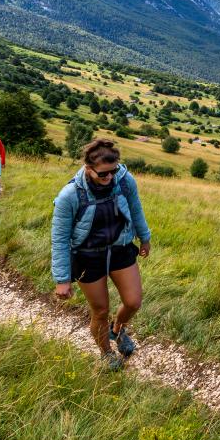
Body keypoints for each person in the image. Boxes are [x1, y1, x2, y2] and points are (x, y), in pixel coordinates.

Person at [51, 138, 152, 370]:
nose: (109, 178)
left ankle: (117, 330)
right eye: (103, 174)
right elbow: (59, 239)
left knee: (133, 301)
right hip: (88, 256)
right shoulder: (70, 195)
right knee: (100, 310)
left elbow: (136, 209)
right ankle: (106, 353)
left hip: (121, 248)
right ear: (88, 169)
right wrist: (62, 279)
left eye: (113, 171)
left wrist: (144, 237)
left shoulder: (124, 181)